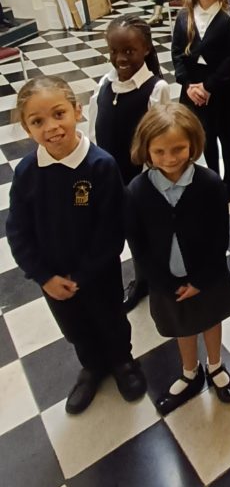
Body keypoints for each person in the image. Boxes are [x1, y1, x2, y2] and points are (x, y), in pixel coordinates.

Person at [7, 77, 146, 414]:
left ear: (77, 111)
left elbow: (113, 229)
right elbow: (18, 230)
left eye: (58, 114)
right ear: (27, 128)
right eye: (37, 122)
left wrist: (84, 274)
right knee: (75, 326)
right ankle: (92, 366)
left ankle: (122, 362)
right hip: (53, 278)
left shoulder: (101, 165)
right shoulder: (27, 171)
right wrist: (43, 276)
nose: (51, 127)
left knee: (111, 319)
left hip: (98, 273)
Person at [126, 104, 230, 414]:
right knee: (182, 326)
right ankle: (190, 371)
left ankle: (215, 366)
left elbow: (220, 238)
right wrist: (161, 283)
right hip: (167, 282)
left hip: (207, 276)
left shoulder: (210, 185)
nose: (170, 158)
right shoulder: (137, 191)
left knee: (210, 320)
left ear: (193, 143)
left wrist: (201, 280)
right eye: (160, 151)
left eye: (178, 149)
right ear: (146, 149)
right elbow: (138, 245)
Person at [87, 15, 171, 310]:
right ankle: (128, 278)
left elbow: (158, 139)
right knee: (116, 230)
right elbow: (92, 130)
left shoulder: (155, 88)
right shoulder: (103, 85)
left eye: (129, 51)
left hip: (140, 178)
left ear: (146, 49)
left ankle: (146, 278)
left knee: (142, 231)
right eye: (114, 51)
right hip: (108, 176)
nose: (120, 58)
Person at [171, 0, 230, 202]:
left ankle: (229, 177)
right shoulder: (184, 15)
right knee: (205, 134)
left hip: (220, 85)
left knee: (224, 132)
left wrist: (209, 86)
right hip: (193, 86)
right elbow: (177, 52)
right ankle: (212, 175)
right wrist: (188, 84)